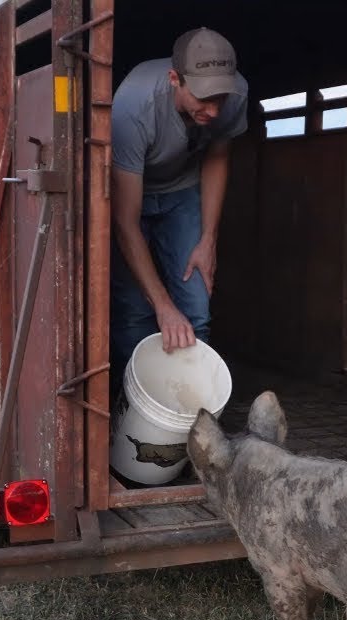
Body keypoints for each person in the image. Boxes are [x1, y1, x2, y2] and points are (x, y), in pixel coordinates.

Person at [110, 27, 248, 389]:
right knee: (136, 312)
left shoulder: (236, 95)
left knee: (196, 308)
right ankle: (136, 411)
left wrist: (208, 239)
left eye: (220, 97)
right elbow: (125, 222)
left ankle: (192, 414)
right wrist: (162, 305)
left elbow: (218, 158)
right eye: (203, 99)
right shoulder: (133, 105)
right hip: (134, 191)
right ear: (175, 79)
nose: (214, 110)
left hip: (184, 191)